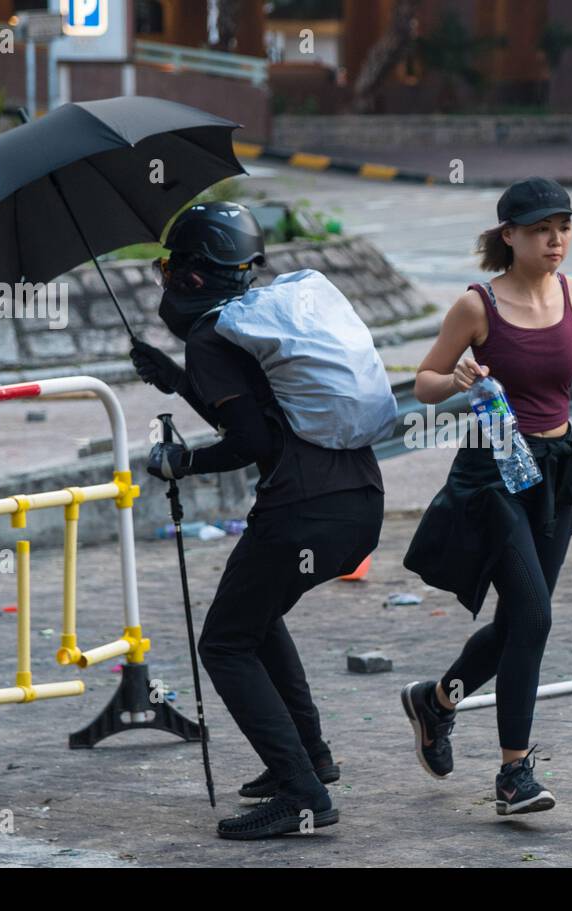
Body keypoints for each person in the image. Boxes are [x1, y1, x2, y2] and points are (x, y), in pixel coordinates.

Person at [400, 177, 572, 814]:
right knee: (536, 617)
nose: (556, 240)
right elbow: (423, 383)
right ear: (508, 236)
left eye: (564, 227)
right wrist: (457, 377)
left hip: (556, 468)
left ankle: (435, 704)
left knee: (520, 618)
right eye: (542, 229)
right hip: (493, 476)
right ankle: (514, 774)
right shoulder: (478, 306)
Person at [130, 201, 384, 840]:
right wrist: (178, 383)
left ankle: (302, 794)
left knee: (223, 642)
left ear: (192, 275)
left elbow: (251, 444)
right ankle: (310, 759)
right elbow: (260, 415)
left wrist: (181, 461)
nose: (164, 278)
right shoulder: (255, 323)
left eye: (168, 266)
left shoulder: (210, 335)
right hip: (358, 504)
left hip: (301, 511)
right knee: (257, 618)